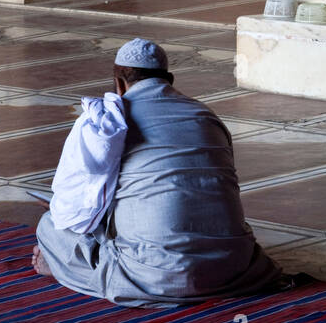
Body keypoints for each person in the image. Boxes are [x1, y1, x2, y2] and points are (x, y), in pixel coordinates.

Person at [32, 37, 282, 306]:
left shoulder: (109, 121)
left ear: (118, 82)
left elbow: (76, 209)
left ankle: (62, 268)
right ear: (170, 79)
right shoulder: (206, 116)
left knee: (49, 226)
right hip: (234, 267)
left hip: (156, 276)